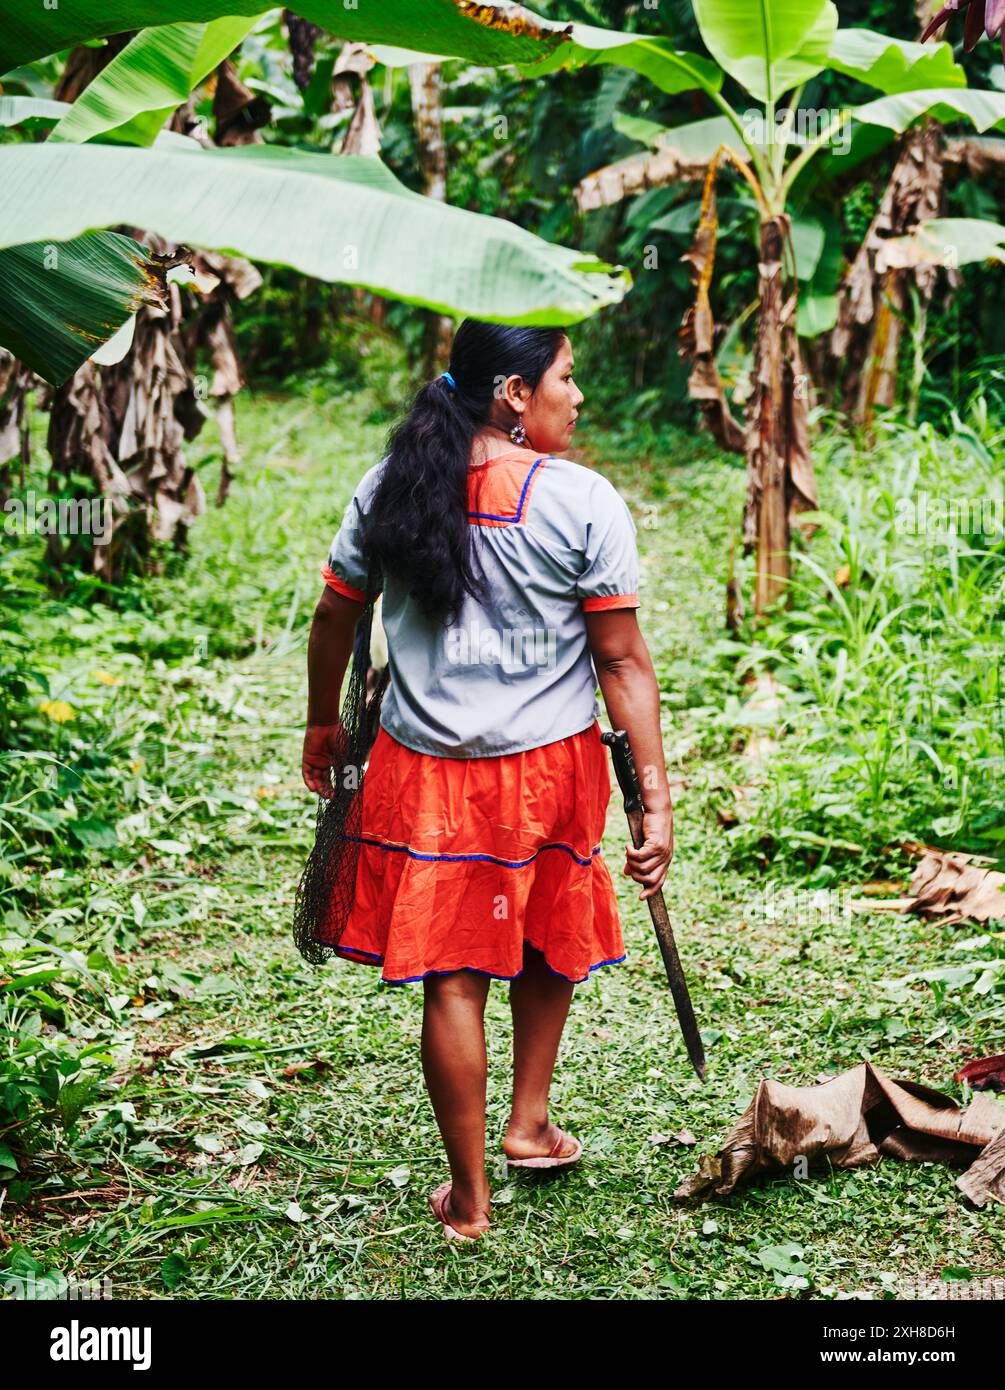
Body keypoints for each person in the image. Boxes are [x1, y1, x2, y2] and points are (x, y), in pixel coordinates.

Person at [302, 320, 674, 1241]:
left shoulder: (391, 484)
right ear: (513, 391)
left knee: (452, 978)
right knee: (550, 928)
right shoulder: (581, 502)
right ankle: (529, 1118)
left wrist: (321, 722)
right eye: (567, 378)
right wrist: (654, 799)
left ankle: (469, 1198)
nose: (576, 396)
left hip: (424, 773)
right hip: (552, 770)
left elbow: (336, 616)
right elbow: (621, 662)